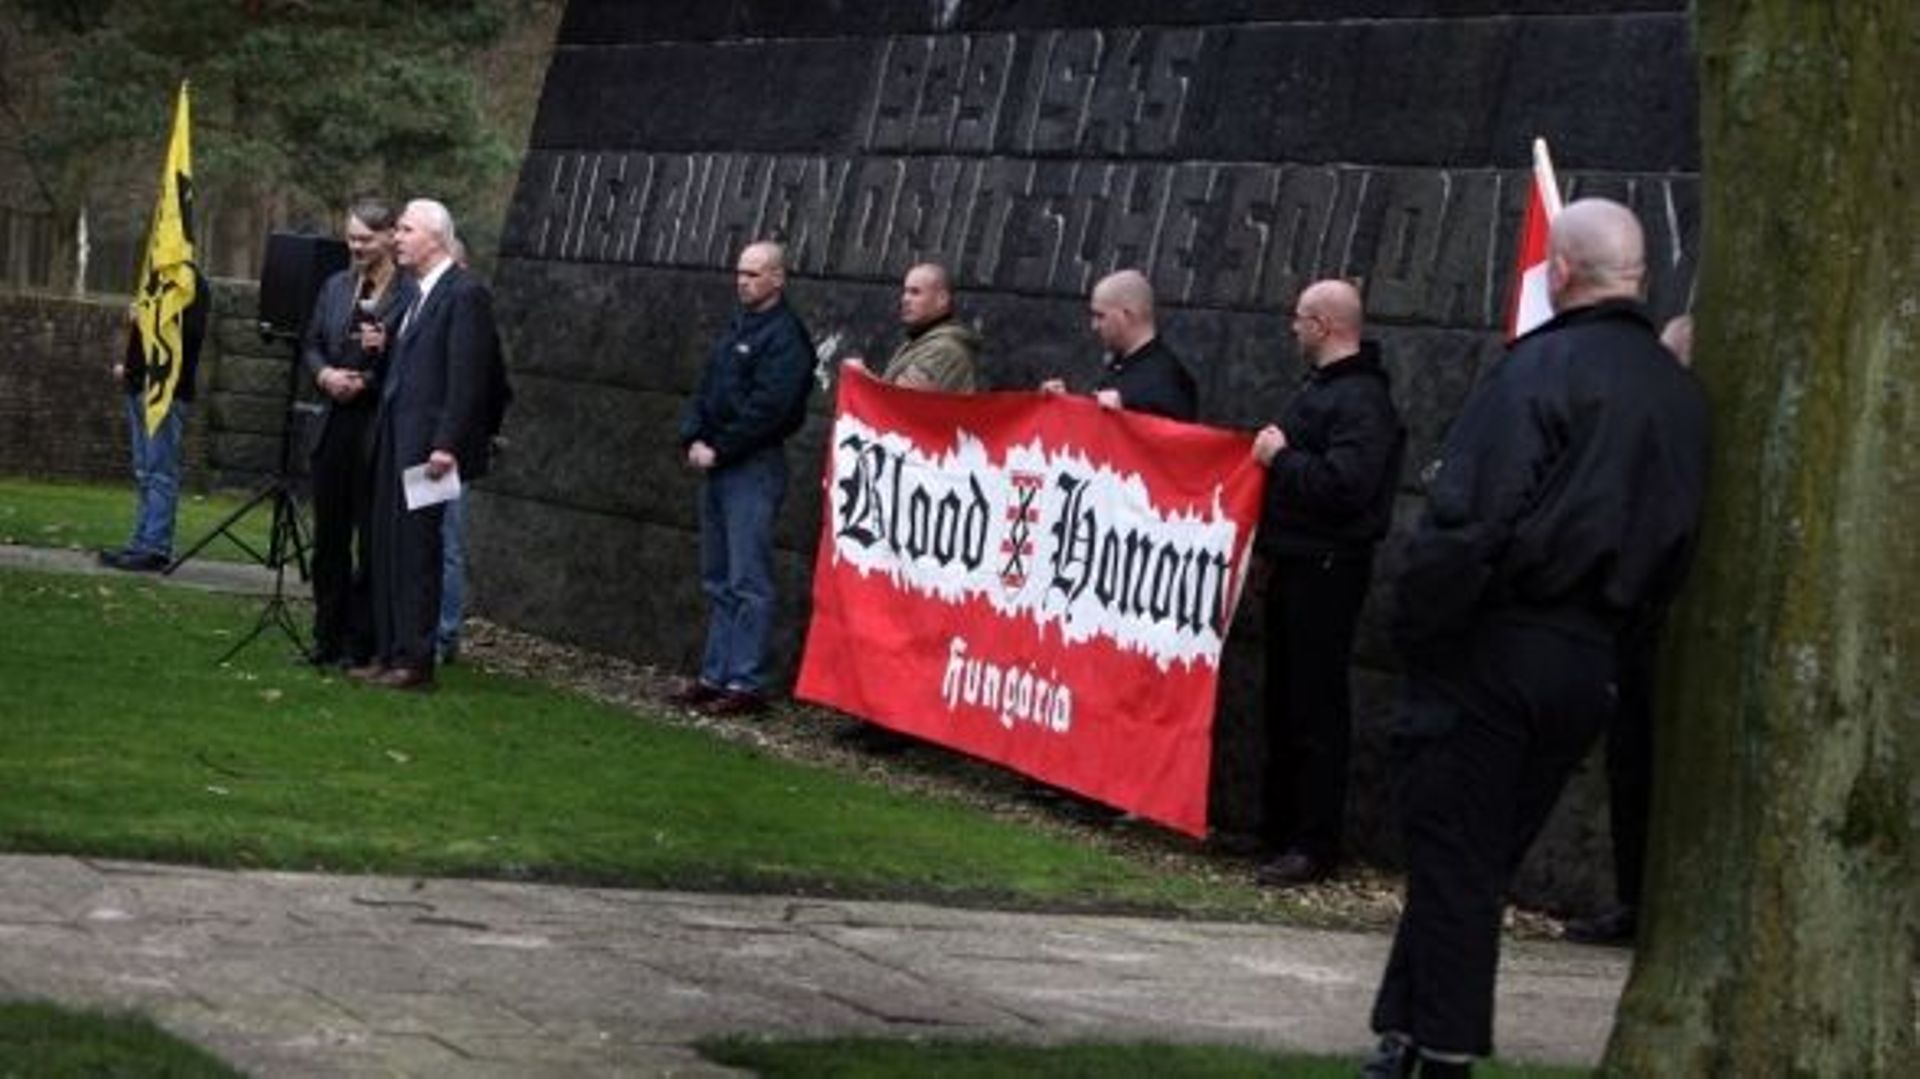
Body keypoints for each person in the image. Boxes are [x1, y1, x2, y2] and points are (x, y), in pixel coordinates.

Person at [1361, 199, 1710, 1078]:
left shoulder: (1537, 370)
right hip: (1592, 659)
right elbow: (1674, 541)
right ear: (1637, 276)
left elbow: (1469, 522)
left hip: (1496, 645)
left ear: (1560, 273)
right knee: (1468, 858)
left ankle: (1439, 1051)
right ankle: (1402, 1035)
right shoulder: (1680, 397)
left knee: (1458, 859)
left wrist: (1422, 631)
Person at [1248, 279, 1405, 886]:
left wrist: (1281, 459)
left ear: (1323, 324)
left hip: (1328, 568)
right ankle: (1282, 829)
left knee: (1315, 706)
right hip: (1298, 561)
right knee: (1287, 701)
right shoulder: (1326, 392)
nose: (1292, 329)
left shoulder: (1362, 401)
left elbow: (1349, 487)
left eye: (1299, 319)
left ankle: (1312, 842)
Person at [1563, 311, 1695, 947]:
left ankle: (1642, 899)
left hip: (1652, 614)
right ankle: (1633, 896)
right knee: (1631, 762)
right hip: (1637, 622)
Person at [352, 199, 497, 692]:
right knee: (389, 545)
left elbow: (467, 376)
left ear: (436, 237)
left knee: (418, 551)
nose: (397, 238)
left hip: (431, 450)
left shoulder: (464, 293)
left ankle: (416, 660)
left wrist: (448, 444)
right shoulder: (416, 293)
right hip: (396, 435)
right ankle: (388, 651)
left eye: (407, 230)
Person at [669, 240, 817, 717]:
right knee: (718, 576)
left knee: (748, 578)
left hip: (751, 466)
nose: (743, 281)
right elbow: (708, 387)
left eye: (754, 274)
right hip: (717, 462)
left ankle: (746, 680)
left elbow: (770, 410)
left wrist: (721, 446)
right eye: (741, 272)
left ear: (778, 278)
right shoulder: (737, 327)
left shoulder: (786, 337)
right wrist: (692, 435)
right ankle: (716, 673)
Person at [300, 199, 405, 668]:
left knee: (370, 541)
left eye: (365, 238)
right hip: (332, 427)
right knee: (329, 541)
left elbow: (411, 362)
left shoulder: (408, 293)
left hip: (374, 430)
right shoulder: (335, 286)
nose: (356, 246)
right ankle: (326, 638)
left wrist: (366, 380)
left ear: (388, 237)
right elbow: (312, 343)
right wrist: (325, 377)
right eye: (351, 237)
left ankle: (359, 644)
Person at [98, 268, 208, 573]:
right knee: (145, 470)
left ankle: (155, 548)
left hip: (166, 392)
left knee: (160, 471)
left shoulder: (192, 282)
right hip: (138, 387)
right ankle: (140, 544)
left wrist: (147, 317)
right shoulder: (155, 275)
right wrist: (129, 367)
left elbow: (189, 335)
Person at [1042, 268, 1196, 422]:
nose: (1094, 326)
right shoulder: (1123, 364)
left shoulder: (1168, 382)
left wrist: (1124, 418)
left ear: (1127, 315)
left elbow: (1172, 441)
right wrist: (1065, 405)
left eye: (1100, 316)